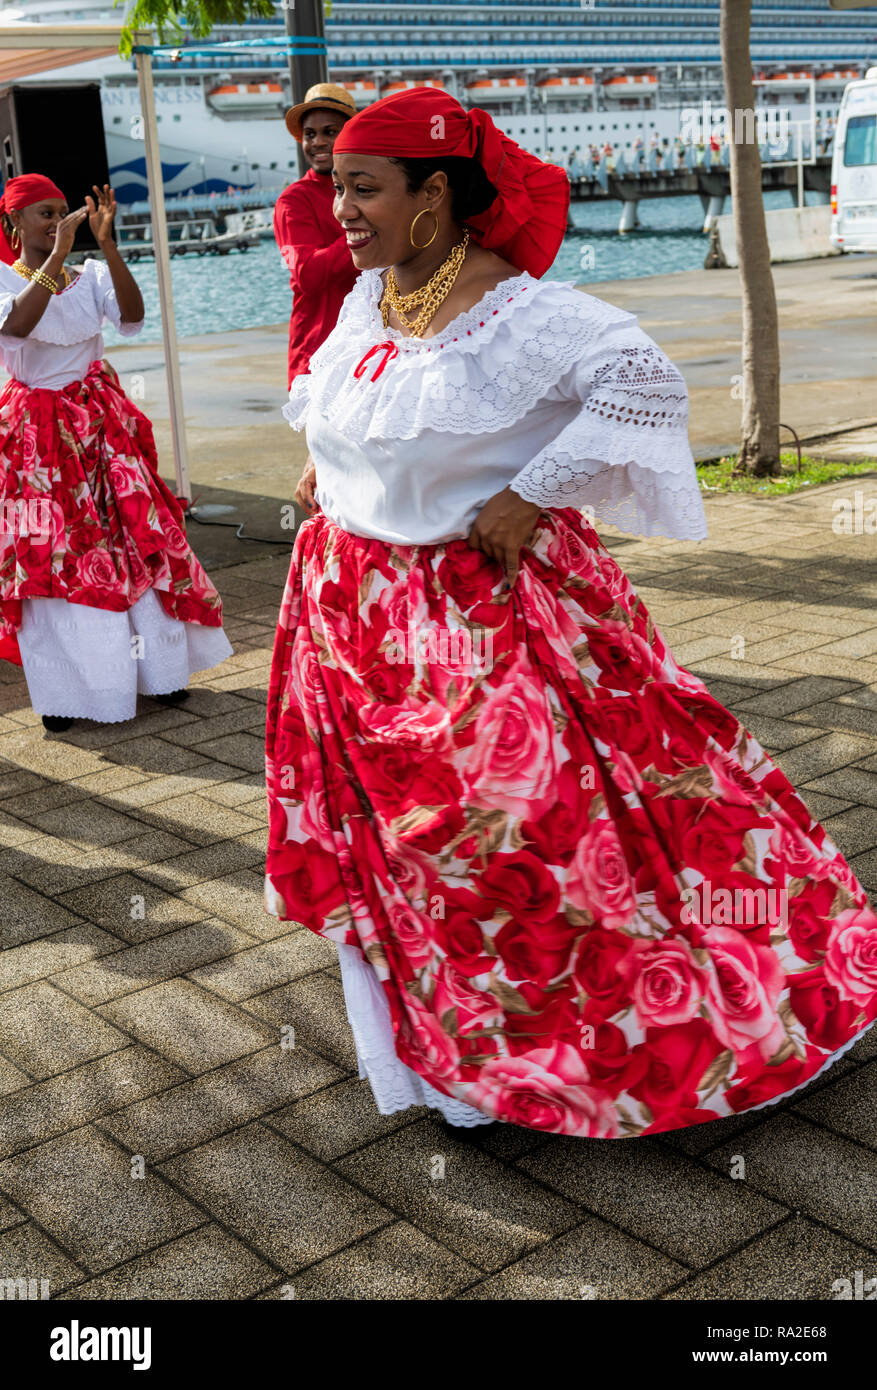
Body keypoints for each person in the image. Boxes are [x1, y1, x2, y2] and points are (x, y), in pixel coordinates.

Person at [263, 88, 877, 1141]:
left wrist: (533, 489)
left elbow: (643, 384)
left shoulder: (525, 310)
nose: (341, 208)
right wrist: (328, 475)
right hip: (346, 620)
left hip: (479, 624)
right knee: (397, 851)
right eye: (334, 186)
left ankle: (591, 1040)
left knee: (512, 843)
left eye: (363, 188)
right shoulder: (369, 305)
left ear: (436, 194)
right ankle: (439, 1053)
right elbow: (350, 412)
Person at [0, 174, 232, 731]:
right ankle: (66, 691)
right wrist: (55, 256)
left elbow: (131, 318)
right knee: (58, 551)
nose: (57, 219)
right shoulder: (4, 282)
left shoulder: (92, 275)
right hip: (39, 435)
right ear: (13, 226)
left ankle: (161, 673)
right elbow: (15, 328)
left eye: (61, 210)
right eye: (42, 213)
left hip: (102, 424)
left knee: (134, 534)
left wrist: (107, 244)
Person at [273, 82, 361, 389]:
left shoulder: (374, 189)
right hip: (320, 357)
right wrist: (363, 235)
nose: (317, 142)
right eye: (310, 134)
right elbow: (307, 274)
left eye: (329, 131)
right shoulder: (294, 200)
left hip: (372, 352)